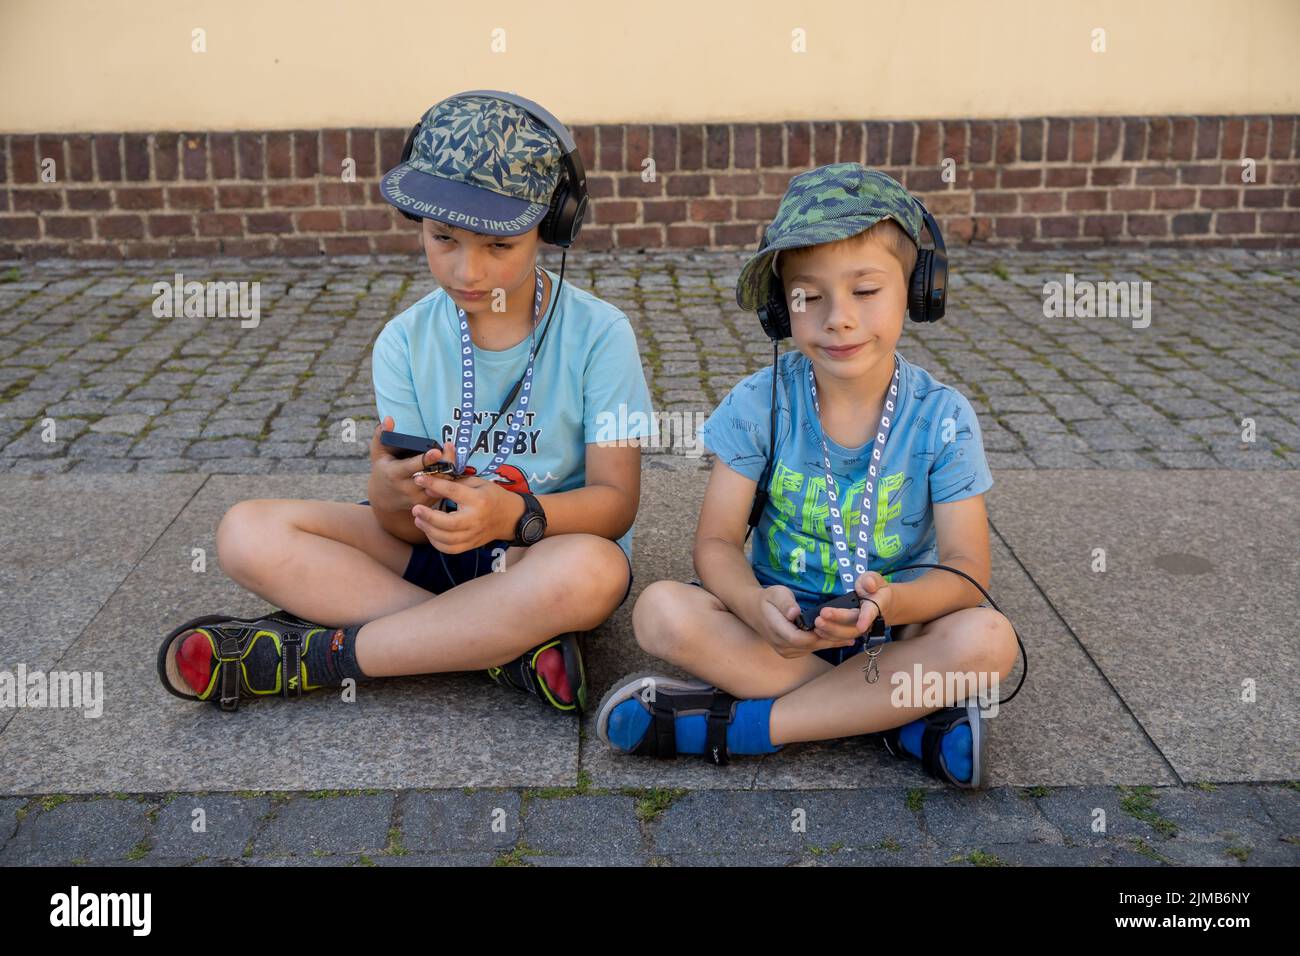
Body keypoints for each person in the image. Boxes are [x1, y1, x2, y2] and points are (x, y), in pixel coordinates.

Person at [157, 91, 656, 715]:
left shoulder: (601, 335)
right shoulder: (403, 341)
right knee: (245, 532)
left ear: (552, 227)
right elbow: (400, 523)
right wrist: (391, 495)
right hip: (431, 549)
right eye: (443, 238)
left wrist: (511, 516)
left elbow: (615, 505)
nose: (466, 270)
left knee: (593, 571)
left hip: (538, 551)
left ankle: (327, 655)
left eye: (498, 245)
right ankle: (501, 649)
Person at [595, 164, 1019, 788]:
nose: (837, 318)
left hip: (894, 630)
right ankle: (902, 724)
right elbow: (715, 543)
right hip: (781, 629)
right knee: (659, 611)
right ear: (779, 309)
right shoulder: (758, 404)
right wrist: (749, 601)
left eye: (866, 291)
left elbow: (964, 569)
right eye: (807, 296)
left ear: (918, 291)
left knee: (989, 640)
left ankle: (738, 728)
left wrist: (892, 601)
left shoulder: (942, 417)